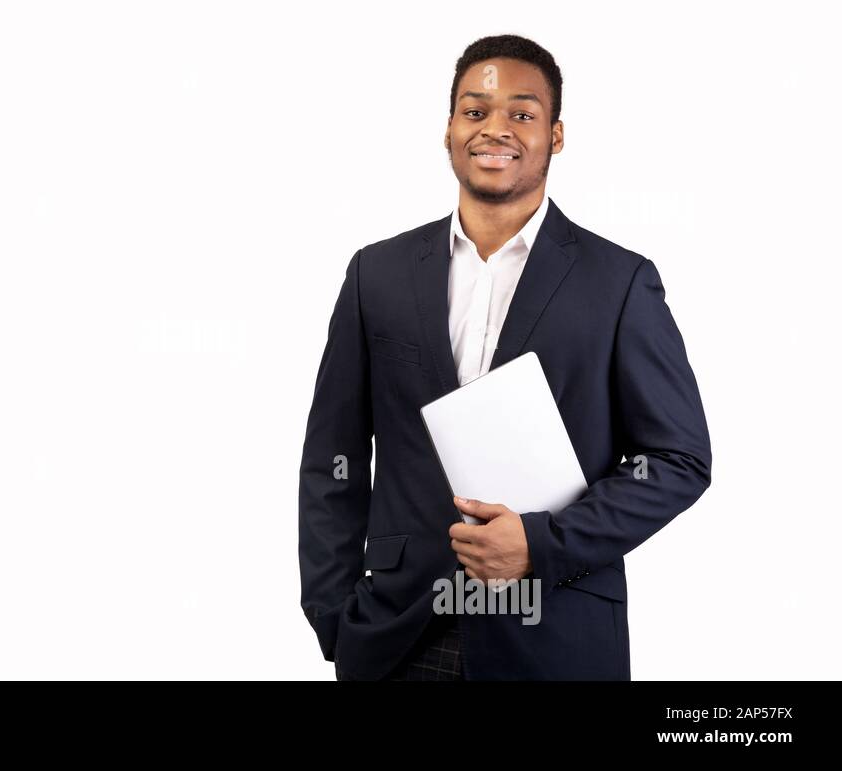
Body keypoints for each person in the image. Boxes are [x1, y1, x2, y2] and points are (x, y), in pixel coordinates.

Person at [297, 34, 712, 681]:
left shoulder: (619, 282)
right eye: (475, 109)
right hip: (402, 636)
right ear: (448, 129)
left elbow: (675, 459)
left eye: (521, 112)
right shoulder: (374, 275)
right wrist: (333, 615)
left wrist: (544, 543)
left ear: (557, 133)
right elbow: (334, 457)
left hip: (558, 635)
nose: (496, 128)